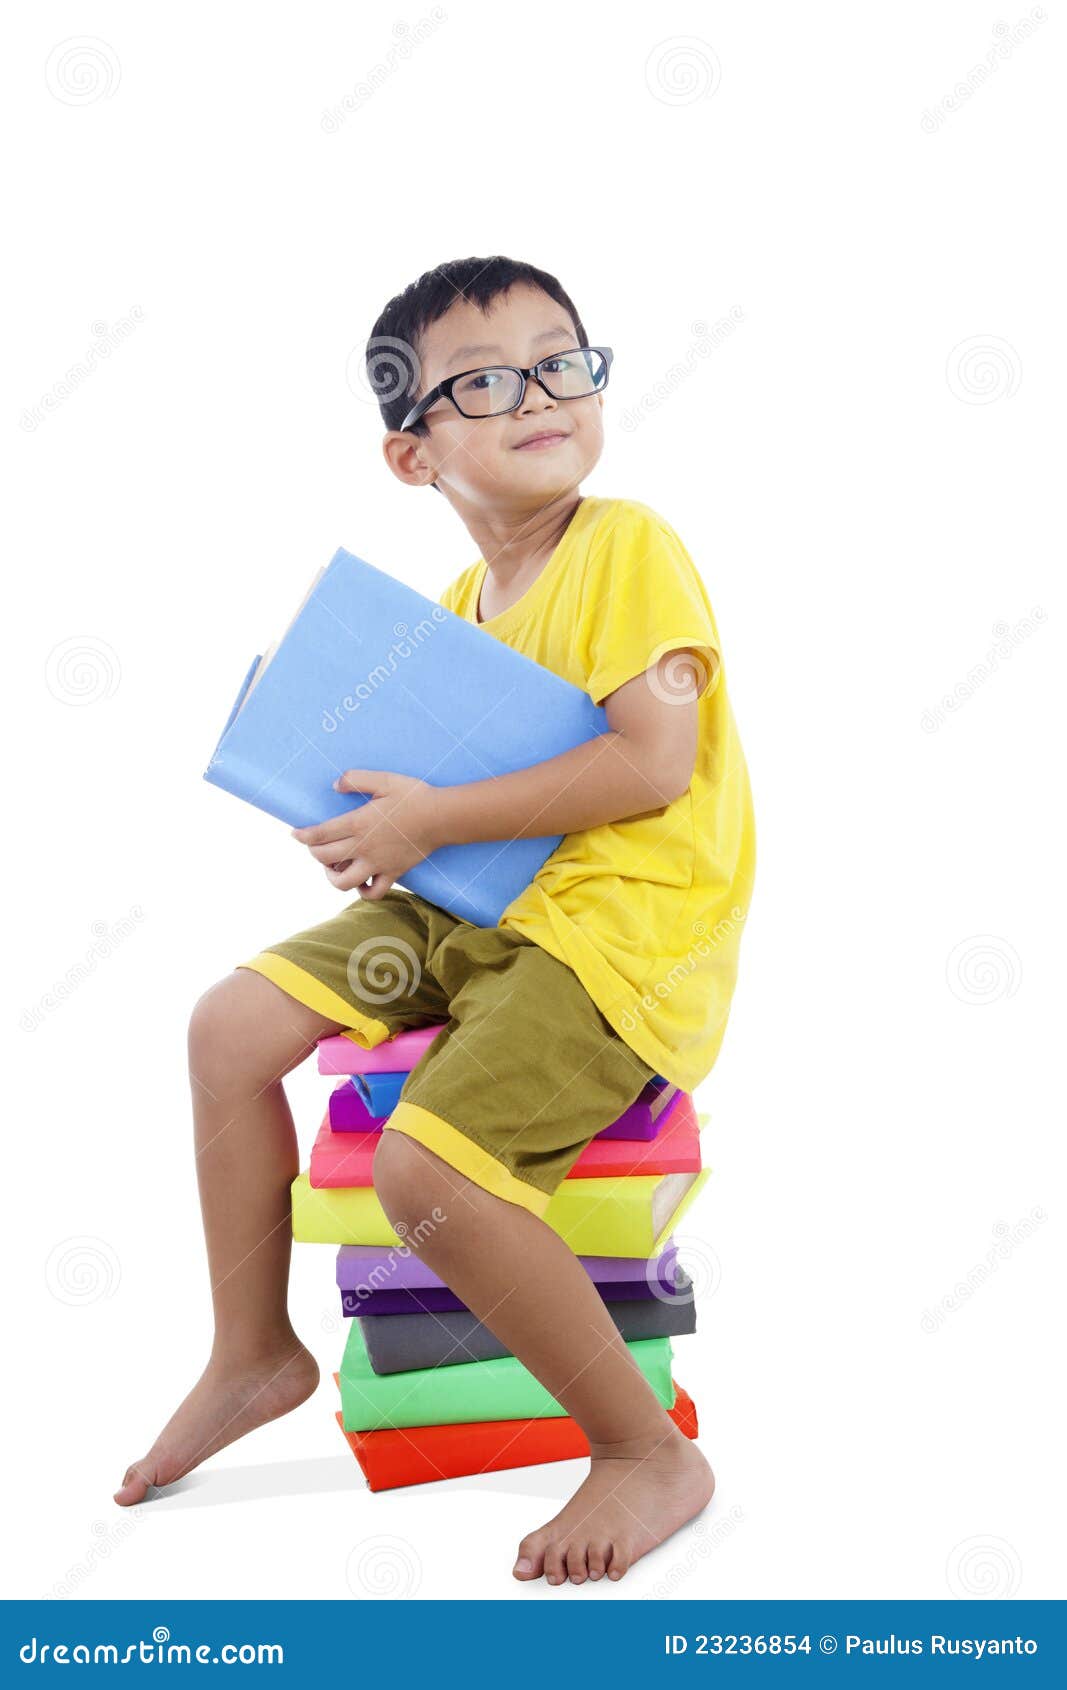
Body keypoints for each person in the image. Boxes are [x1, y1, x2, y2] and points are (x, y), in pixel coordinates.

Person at [116, 255, 756, 1586]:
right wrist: (375, 829)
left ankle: (645, 1449)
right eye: (484, 381)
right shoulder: (458, 613)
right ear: (414, 456)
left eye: (559, 360)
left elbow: (651, 763)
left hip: (614, 931)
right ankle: (253, 1350)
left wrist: (433, 819)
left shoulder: (627, 544)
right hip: (478, 908)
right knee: (227, 1026)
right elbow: (464, 805)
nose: (539, 392)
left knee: (423, 1172)